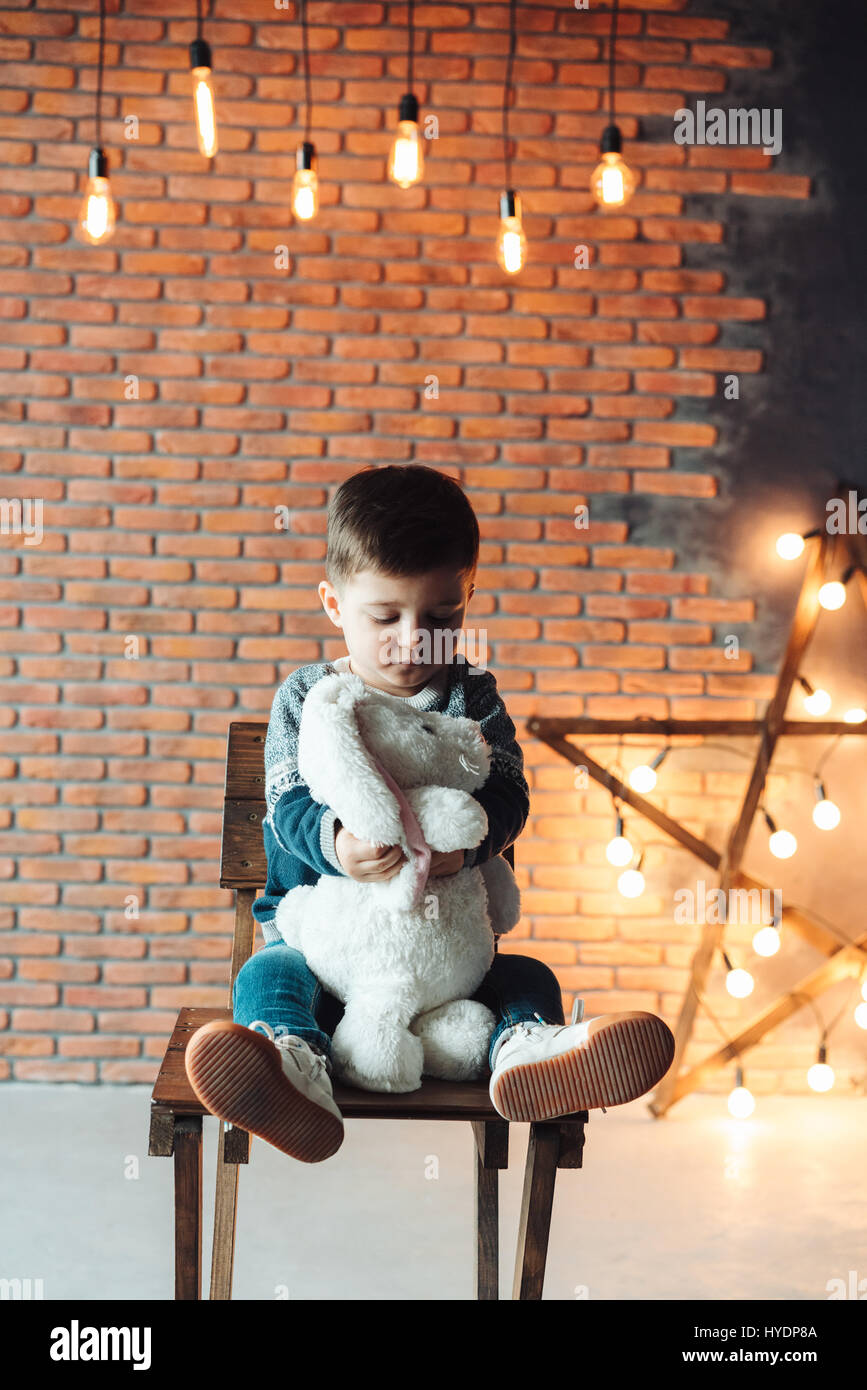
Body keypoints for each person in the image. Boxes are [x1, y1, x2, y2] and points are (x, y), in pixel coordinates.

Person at [185, 465, 675, 1162]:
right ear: (333, 603)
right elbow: (287, 802)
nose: (414, 640)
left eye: (443, 618)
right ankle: (292, 1064)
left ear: (468, 598)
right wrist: (336, 845)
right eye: (384, 617)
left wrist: (469, 848)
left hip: (446, 954)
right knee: (265, 977)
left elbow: (508, 795)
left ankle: (527, 1052)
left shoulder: (470, 699)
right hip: (326, 952)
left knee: (527, 976)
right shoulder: (307, 698)